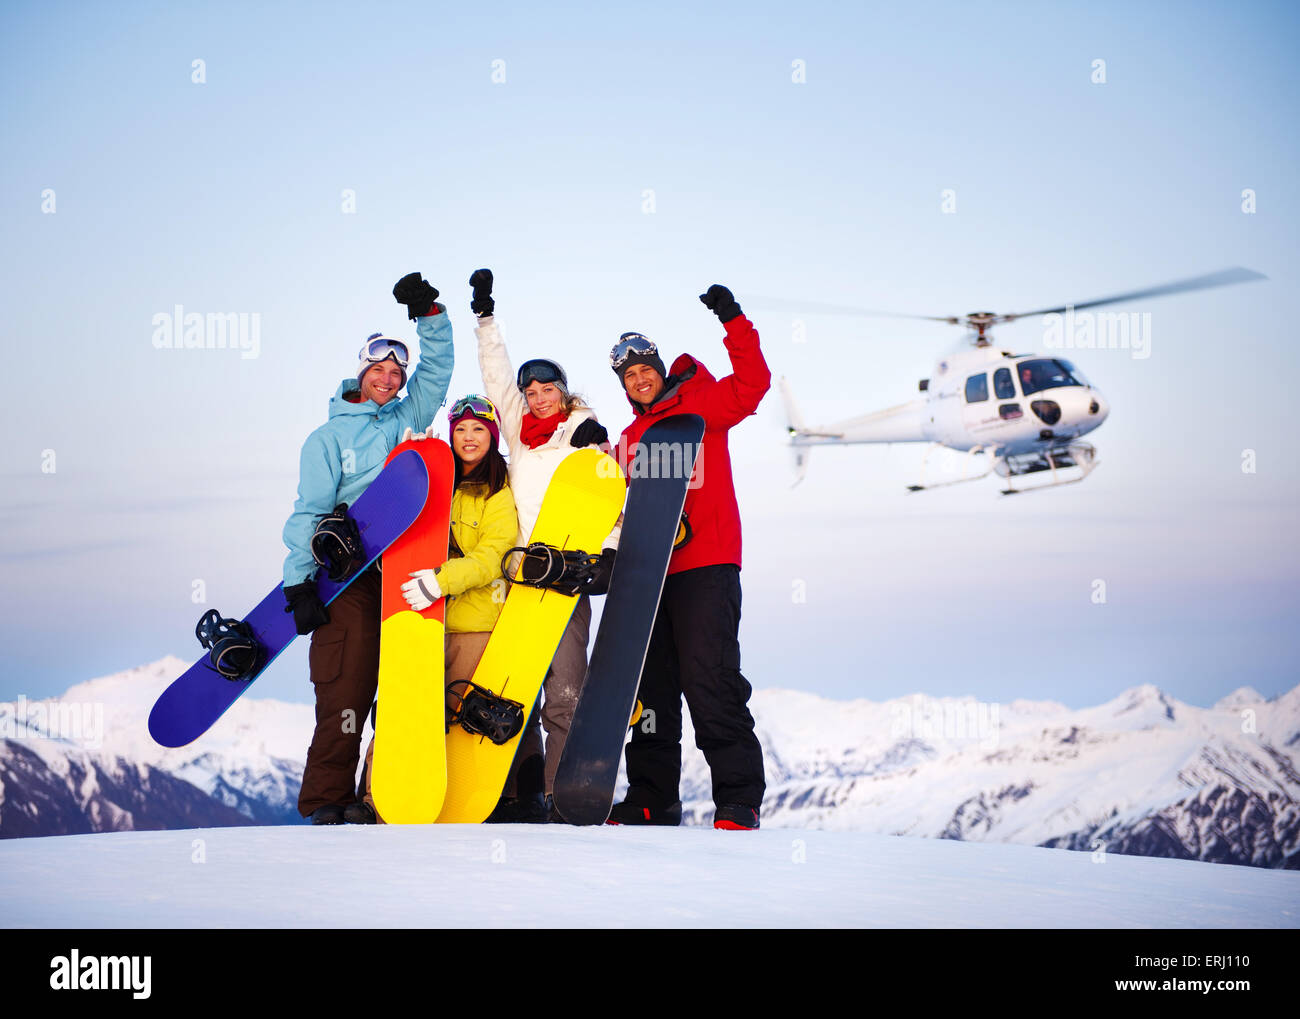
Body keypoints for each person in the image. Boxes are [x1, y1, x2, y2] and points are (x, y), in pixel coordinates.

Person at [285, 272, 452, 825]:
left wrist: (429, 315)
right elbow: (309, 513)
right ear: (361, 374)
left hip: (405, 568)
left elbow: (438, 371)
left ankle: (377, 796)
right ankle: (328, 802)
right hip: (349, 579)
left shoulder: (407, 416)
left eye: (395, 373)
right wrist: (299, 580)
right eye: (378, 369)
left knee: (403, 690)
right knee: (347, 693)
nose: (388, 378)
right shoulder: (327, 439)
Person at [607, 283, 769, 830]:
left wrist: (733, 320)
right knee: (648, 690)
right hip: (648, 578)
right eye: (628, 376)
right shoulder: (628, 440)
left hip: (707, 566)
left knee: (711, 680)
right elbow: (608, 507)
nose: (639, 379)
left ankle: (738, 798)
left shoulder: (703, 407)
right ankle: (653, 798)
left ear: (658, 369)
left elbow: (753, 386)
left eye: (644, 369)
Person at [470, 268, 618, 822]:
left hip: (563, 579)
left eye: (546, 390)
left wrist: (606, 558)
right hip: (515, 577)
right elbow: (496, 378)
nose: (535, 399)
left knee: (564, 690)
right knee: (513, 687)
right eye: (530, 393)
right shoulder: (517, 434)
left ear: (564, 392)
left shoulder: (584, 437)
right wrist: (485, 318)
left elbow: (606, 506)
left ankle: (562, 794)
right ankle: (515, 792)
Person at [348, 394, 518, 824]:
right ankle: (376, 799)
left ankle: (453, 805)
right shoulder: (438, 480)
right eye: (460, 429)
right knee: (404, 708)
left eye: (478, 429)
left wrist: (440, 582)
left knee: (462, 717)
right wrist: (411, 465)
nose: (468, 437)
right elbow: (401, 527)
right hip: (421, 621)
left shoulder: (498, 493)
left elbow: (492, 555)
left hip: (472, 623)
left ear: (492, 436)